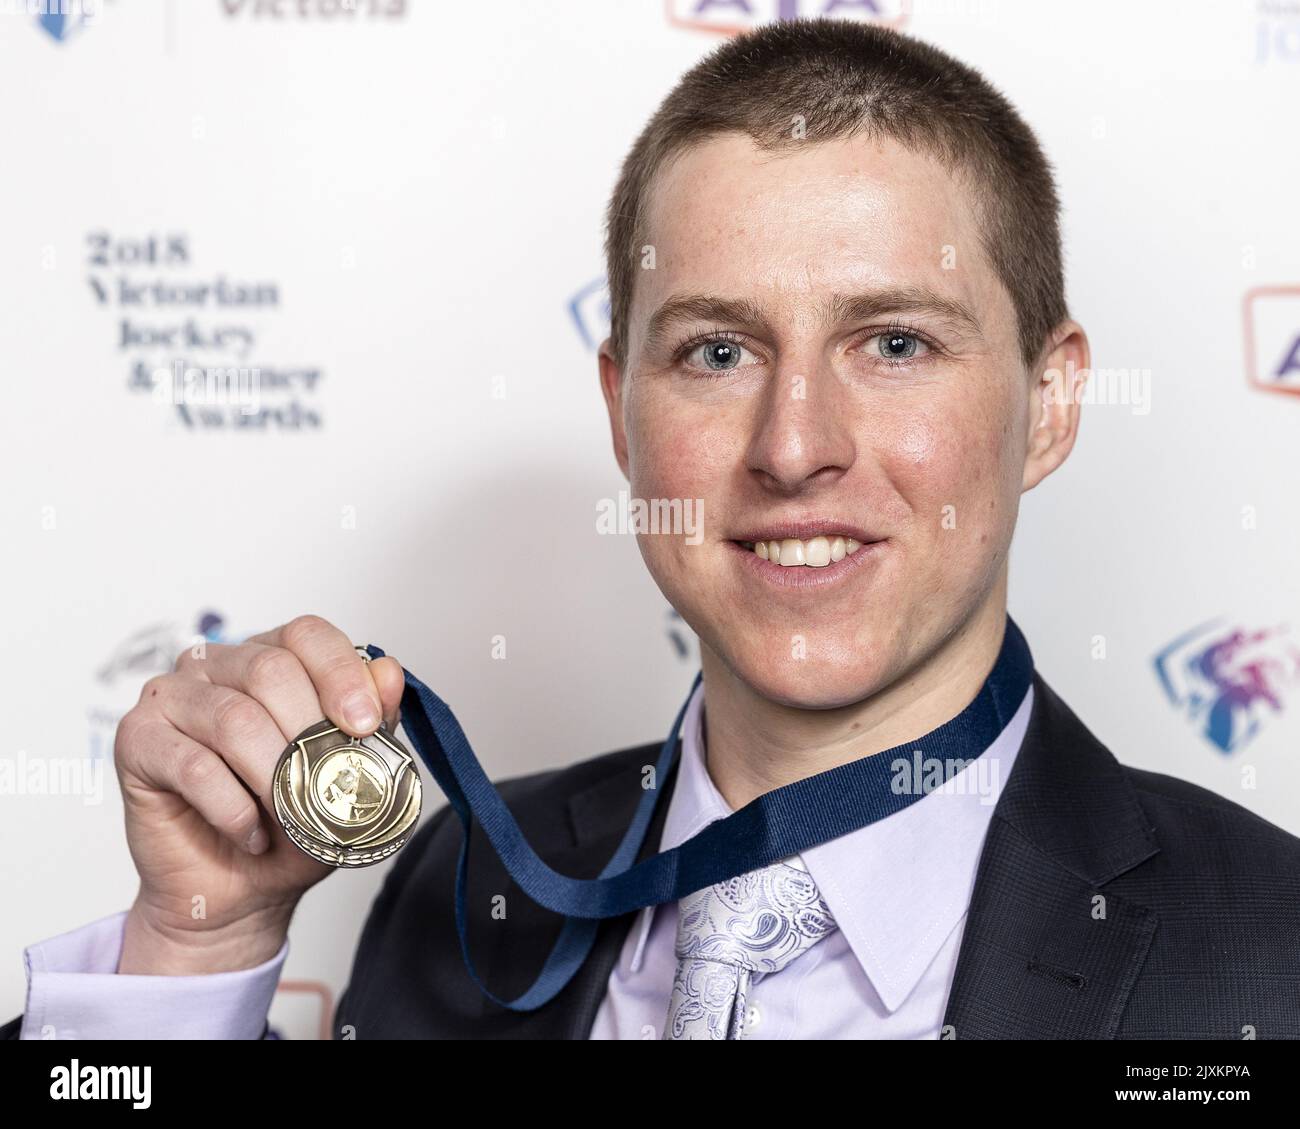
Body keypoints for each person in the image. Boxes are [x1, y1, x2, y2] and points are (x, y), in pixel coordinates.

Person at [8, 17, 1300, 1041]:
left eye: (895, 342)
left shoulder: (1267, 946)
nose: (795, 445)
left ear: (1050, 404)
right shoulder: (460, 887)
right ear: (621, 409)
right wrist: (193, 947)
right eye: (719, 350)